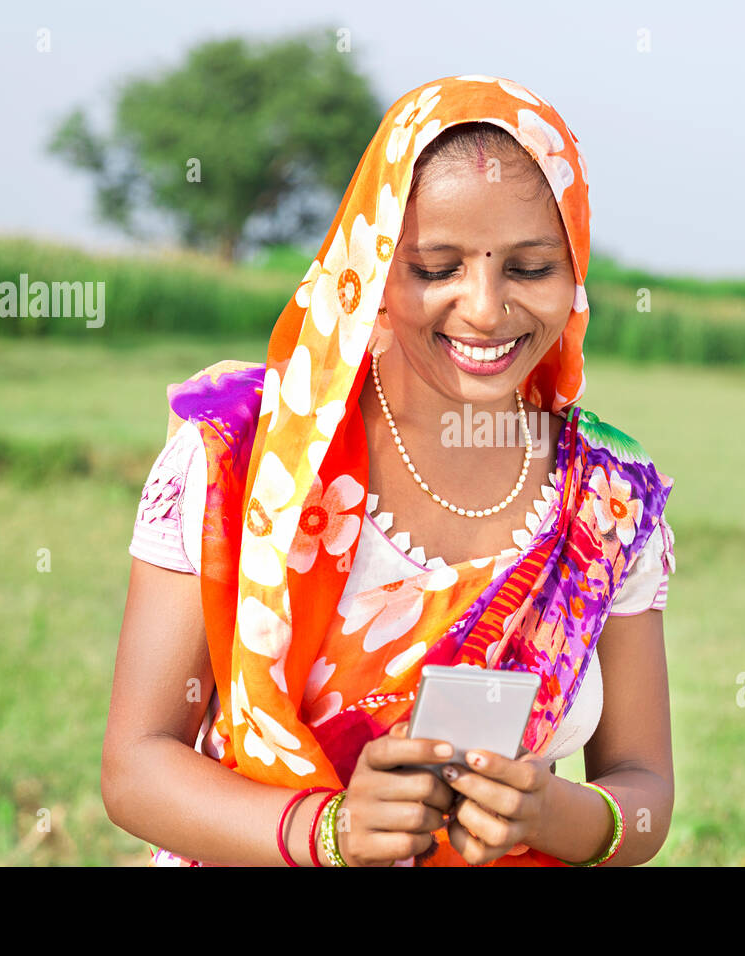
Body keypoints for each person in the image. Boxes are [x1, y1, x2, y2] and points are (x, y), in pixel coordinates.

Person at [102, 74, 677, 867]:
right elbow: (136, 769)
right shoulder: (243, 459)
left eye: (530, 268)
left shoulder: (607, 502)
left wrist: (548, 812)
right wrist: (330, 831)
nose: (485, 308)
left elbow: (644, 788)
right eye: (437, 268)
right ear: (373, 266)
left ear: (573, 271)